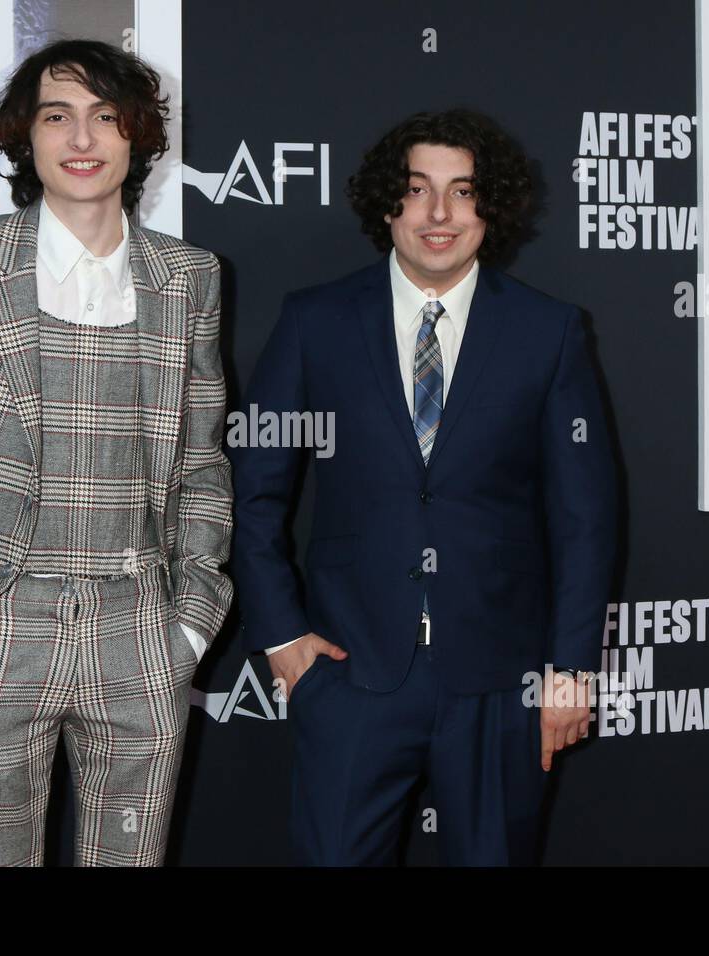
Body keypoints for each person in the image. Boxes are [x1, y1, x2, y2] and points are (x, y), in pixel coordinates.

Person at [0, 38, 233, 866]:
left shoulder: (191, 277)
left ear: (136, 137)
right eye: (58, 117)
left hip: (140, 628)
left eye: (106, 118)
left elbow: (204, 464)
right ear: (22, 137)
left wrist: (189, 622)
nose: (82, 140)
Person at [229, 109, 618, 865]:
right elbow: (253, 493)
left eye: (463, 192)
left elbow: (585, 517)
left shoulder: (550, 331)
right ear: (387, 204)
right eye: (417, 190)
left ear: (489, 208)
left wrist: (570, 669)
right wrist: (282, 640)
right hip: (349, 676)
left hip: (504, 683)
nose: (439, 214)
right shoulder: (317, 322)